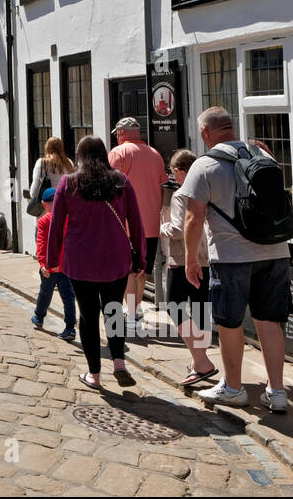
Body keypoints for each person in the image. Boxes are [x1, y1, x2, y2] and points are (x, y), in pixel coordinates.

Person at [181, 106, 292, 413]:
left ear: (206, 133)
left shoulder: (204, 164)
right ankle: (277, 391)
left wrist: (191, 259)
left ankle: (233, 388)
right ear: (231, 126)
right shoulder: (262, 154)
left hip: (231, 257)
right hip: (276, 251)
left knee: (230, 324)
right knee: (270, 322)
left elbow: (193, 218)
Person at [47, 135, 144, 391]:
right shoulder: (120, 182)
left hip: (81, 261)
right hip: (115, 258)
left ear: (79, 156)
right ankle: (119, 363)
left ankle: (94, 375)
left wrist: (51, 259)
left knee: (87, 316)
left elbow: (56, 224)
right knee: (113, 309)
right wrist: (141, 257)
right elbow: (136, 221)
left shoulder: (70, 183)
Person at [160, 149, 217, 387]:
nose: (174, 178)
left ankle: (202, 362)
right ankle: (198, 362)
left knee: (174, 305)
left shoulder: (182, 194)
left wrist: (161, 227)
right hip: (207, 256)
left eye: (174, 173)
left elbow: (177, 228)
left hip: (183, 258)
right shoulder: (208, 189)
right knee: (201, 306)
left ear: (181, 171)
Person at [108, 118, 166, 334]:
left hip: (127, 224)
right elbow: (162, 187)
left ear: (122, 133)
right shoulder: (155, 154)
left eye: (117, 133)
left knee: (129, 272)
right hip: (151, 224)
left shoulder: (118, 153)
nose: (116, 136)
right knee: (142, 270)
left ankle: (131, 315)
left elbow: (110, 187)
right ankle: (137, 309)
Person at [31, 187, 75, 340]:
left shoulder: (43, 221)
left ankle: (39, 316)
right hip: (66, 266)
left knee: (46, 292)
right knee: (68, 297)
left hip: (50, 266)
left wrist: (42, 263)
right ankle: (70, 328)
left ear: (44, 204)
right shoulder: (70, 219)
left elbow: (41, 243)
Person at [28, 136, 75, 220]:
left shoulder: (42, 163)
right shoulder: (69, 163)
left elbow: (33, 191)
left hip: (46, 212)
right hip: (64, 210)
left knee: (43, 232)